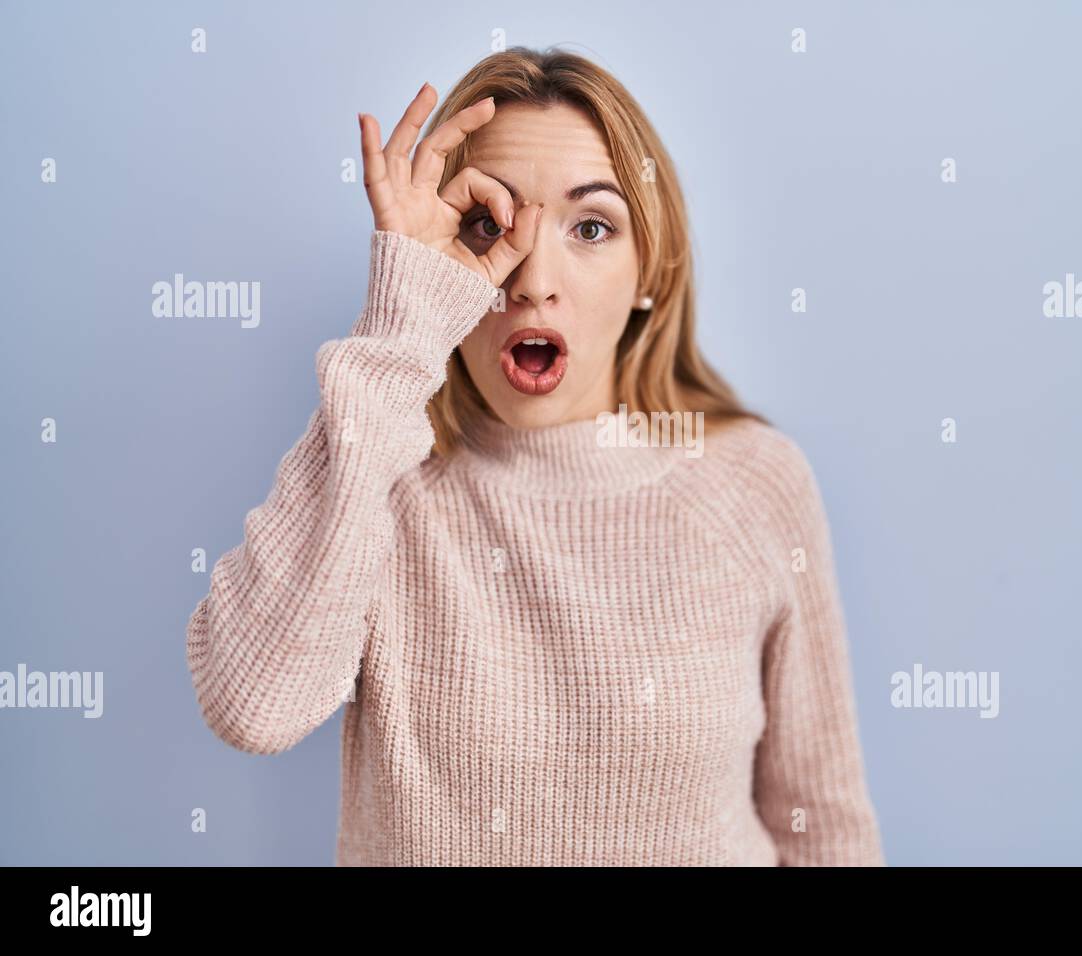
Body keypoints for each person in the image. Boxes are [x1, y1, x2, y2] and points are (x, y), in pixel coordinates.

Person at [186, 47, 886, 866]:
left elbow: (825, 826)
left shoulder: (754, 481)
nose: (533, 281)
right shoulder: (378, 481)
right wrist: (402, 324)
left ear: (649, 272)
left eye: (591, 227)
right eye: (489, 225)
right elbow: (250, 705)